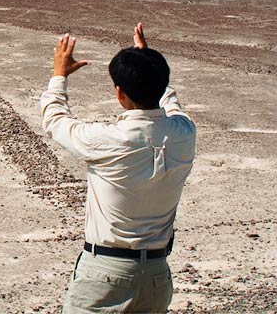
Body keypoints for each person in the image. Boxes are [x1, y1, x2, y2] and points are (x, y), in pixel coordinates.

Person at [40, 23, 196, 313]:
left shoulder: (108, 140)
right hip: (157, 278)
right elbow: (171, 103)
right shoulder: (185, 133)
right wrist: (147, 64)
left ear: (120, 93)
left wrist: (58, 75)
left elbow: (55, 120)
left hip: (106, 275)